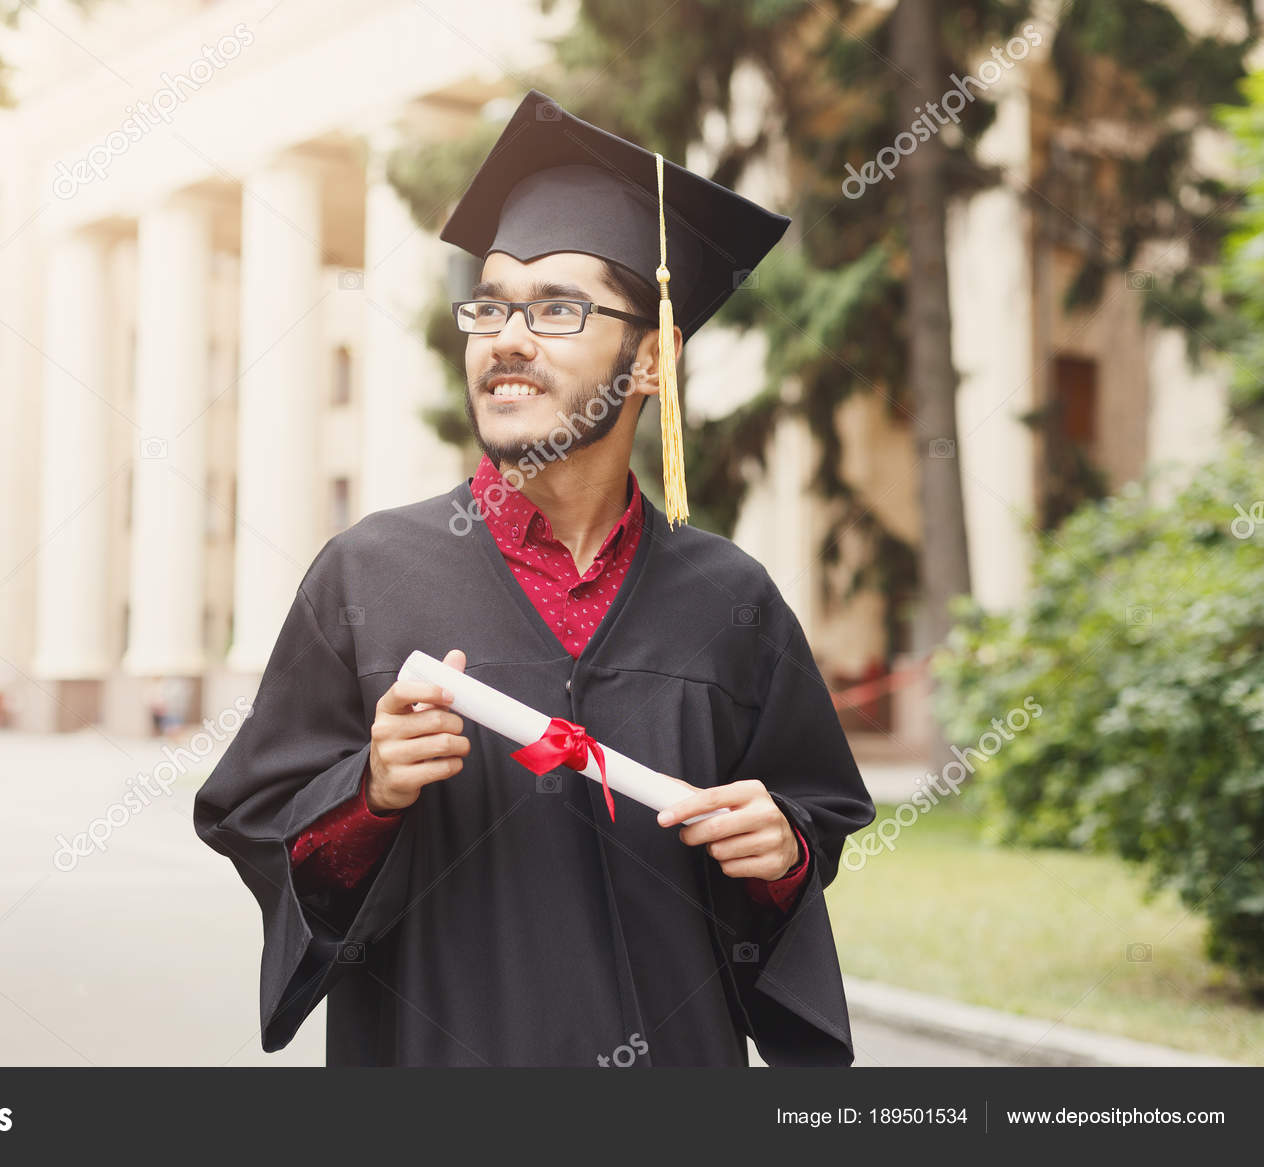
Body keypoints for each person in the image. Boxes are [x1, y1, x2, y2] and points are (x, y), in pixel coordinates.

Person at [193, 89, 876, 1067]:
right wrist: (369, 790)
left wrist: (781, 854)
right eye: (490, 303)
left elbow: (810, 822)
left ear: (651, 358)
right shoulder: (366, 578)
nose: (505, 337)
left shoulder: (732, 601)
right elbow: (254, 819)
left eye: (556, 307)